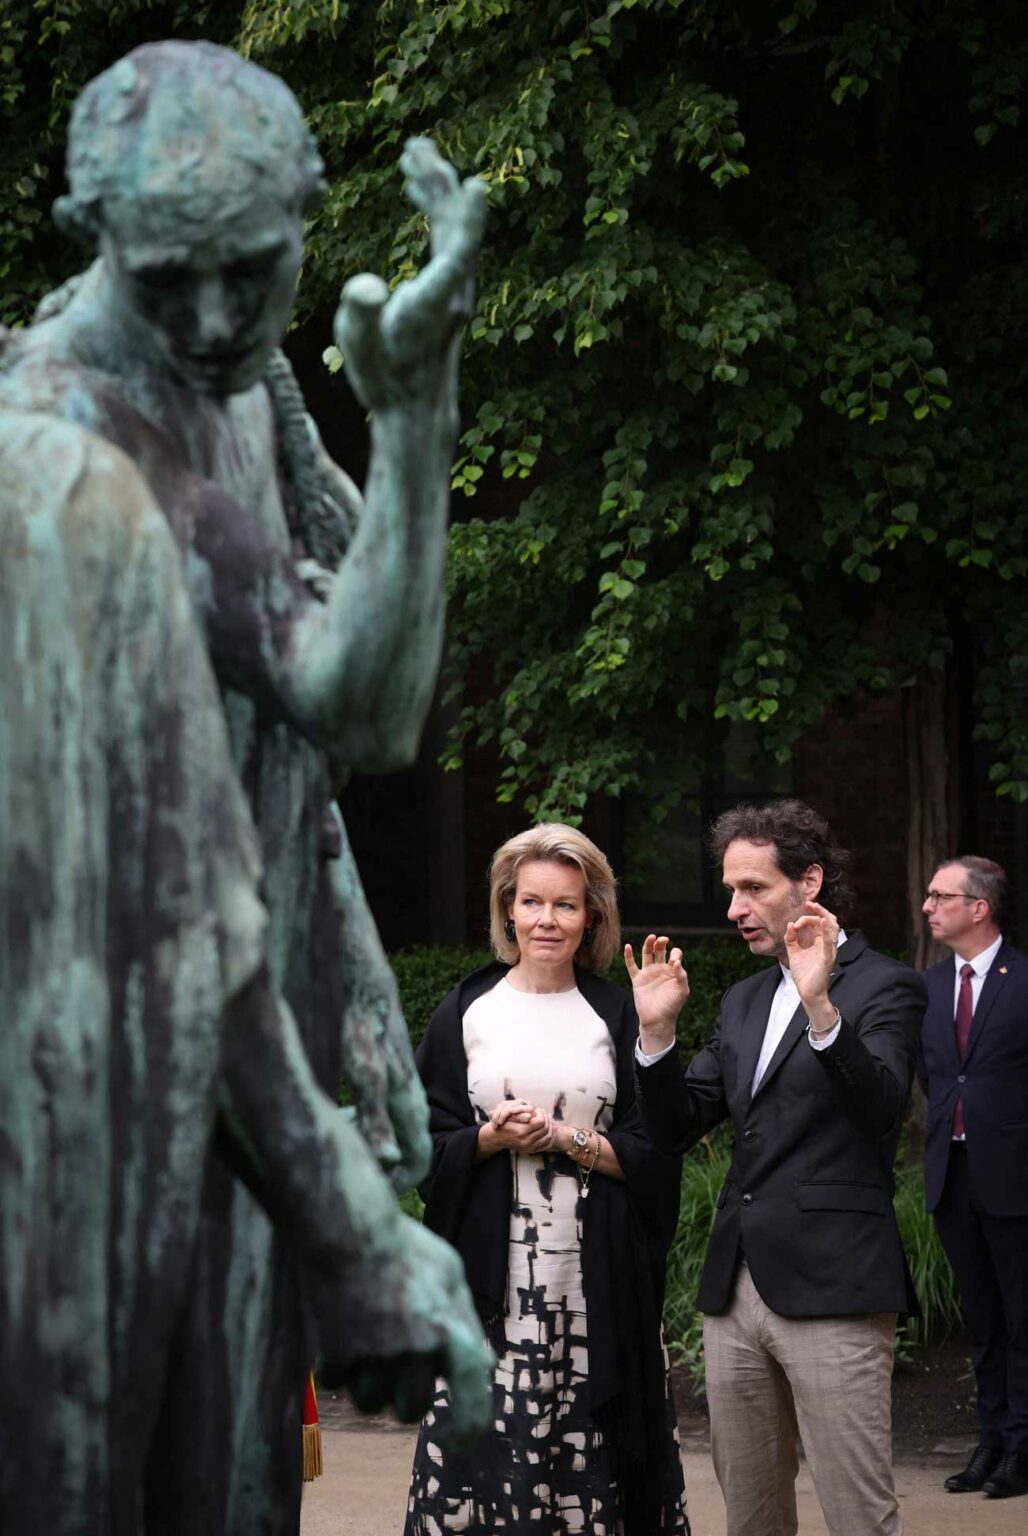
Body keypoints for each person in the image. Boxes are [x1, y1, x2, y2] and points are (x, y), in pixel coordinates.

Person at [0, 39, 487, 1532]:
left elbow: (337, 726)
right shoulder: (61, 454)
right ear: (96, 238)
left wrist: (347, 980)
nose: (215, 320)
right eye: (169, 280)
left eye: (252, 274)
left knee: (233, 1494)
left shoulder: (250, 390)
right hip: (80, 1104)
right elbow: (171, 870)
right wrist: (345, 1212)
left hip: (226, 1065)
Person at [630, 799, 926, 1536]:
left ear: (811, 881)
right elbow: (674, 1127)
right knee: (752, 1515)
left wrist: (820, 1004)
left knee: (858, 1514)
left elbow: (883, 1108)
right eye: (730, 889)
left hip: (837, 1286)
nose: (735, 907)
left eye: (753, 887)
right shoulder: (740, 1001)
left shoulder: (885, 985)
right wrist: (656, 1037)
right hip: (736, 1294)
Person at [405, 823, 690, 1535]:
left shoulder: (619, 1012)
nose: (547, 920)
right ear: (508, 909)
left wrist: (569, 1138)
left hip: (596, 1284)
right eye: (532, 902)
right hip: (488, 1291)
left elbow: (659, 1153)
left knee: (593, 1464)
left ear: (591, 915)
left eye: (566, 905)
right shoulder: (466, 1011)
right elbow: (417, 1145)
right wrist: (485, 1138)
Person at [918, 855, 1028, 1499]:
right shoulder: (928, 987)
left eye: (941, 896)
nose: (929, 906)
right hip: (953, 1177)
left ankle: (1022, 1446)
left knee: (1021, 1319)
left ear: (978, 908)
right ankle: (989, 1442)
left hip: (1014, 1179)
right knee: (980, 1318)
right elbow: (936, 1078)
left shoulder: (1023, 980)